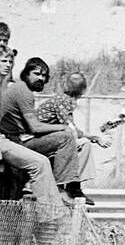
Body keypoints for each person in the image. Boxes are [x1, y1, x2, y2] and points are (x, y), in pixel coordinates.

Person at [0, 57, 94, 205]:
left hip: (18, 139)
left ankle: (71, 188)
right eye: (36, 74)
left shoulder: (22, 89)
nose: (41, 78)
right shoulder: (24, 91)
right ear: (26, 74)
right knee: (66, 137)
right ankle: (62, 190)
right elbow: (35, 128)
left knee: (76, 142)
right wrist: (62, 127)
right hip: (16, 142)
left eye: (44, 76)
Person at [0, 50, 66, 214]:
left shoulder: (9, 86)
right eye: (3, 61)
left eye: (10, 62)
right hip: (4, 140)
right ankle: (53, 214)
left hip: (7, 139)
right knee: (40, 163)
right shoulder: (18, 89)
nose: (8, 65)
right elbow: (34, 127)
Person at [35, 71, 107, 205]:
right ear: (82, 89)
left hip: (49, 138)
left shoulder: (63, 99)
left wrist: (93, 137)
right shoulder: (64, 100)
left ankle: (74, 187)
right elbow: (71, 130)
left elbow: (71, 128)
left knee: (83, 143)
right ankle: (72, 188)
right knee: (83, 144)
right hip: (40, 140)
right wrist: (93, 138)